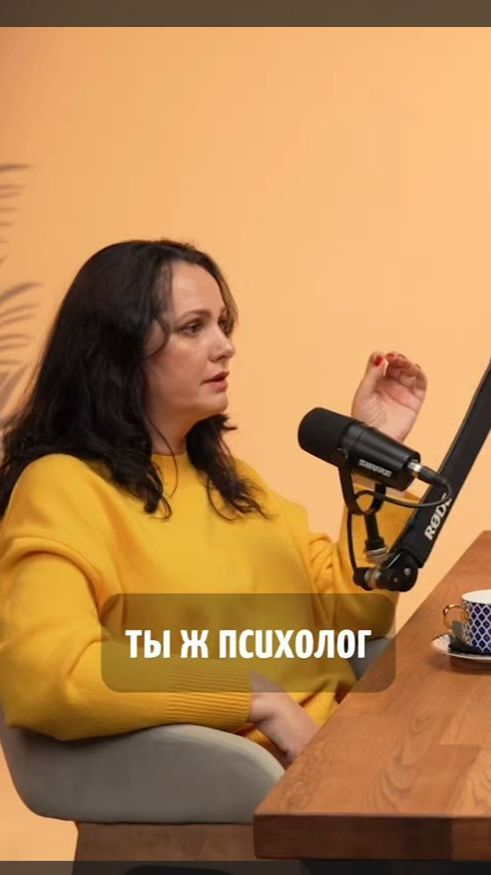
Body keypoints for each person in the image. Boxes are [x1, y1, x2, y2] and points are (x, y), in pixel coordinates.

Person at [0, 239, 427, 767]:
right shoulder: (62, 487)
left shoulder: (232, 481)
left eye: (222, 324)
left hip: (351, 744)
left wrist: (372, 456)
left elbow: (354, 619)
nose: (225, 346)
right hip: (264, 780)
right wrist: (255, 696)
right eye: (192, 327)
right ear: (117, 350)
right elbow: (48, 674)